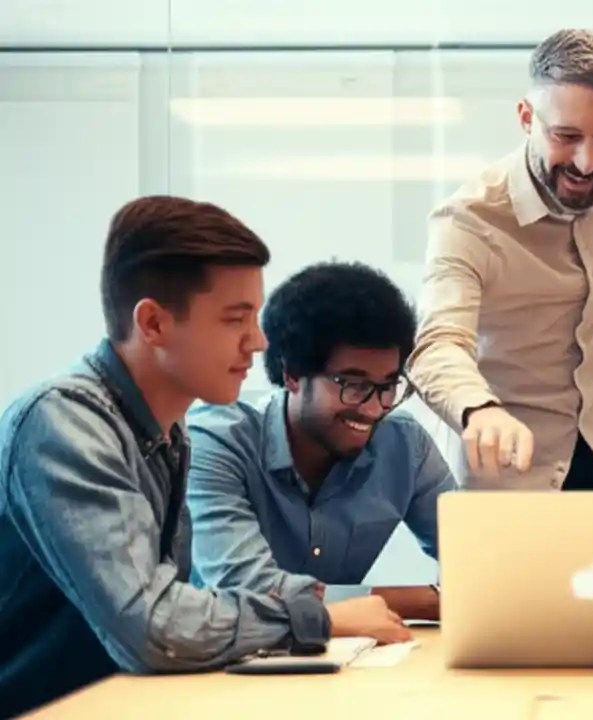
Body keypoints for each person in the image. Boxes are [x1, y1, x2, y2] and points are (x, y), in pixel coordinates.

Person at [0, 197, 399, 718]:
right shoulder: (64, 423)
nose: (258, 342)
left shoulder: (167, 432)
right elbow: (153, 625)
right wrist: (317, 617)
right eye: (236, 319)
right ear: (154, 323)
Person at [408, 29, 593, 490]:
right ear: (527, 118)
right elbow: (436, 345)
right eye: (566, 136)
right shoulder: (468, 221)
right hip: (510, 464)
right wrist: (478, 408)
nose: (587, 163)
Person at [187, 262, 455, 623]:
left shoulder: (405, 447)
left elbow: (478, 560)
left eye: (388, 385)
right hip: (222, 666)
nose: (375, 407)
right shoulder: (218, 441)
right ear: (292, 374)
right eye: (353, 384)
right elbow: (248, 589)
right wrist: (420, 601)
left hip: (341, 665)